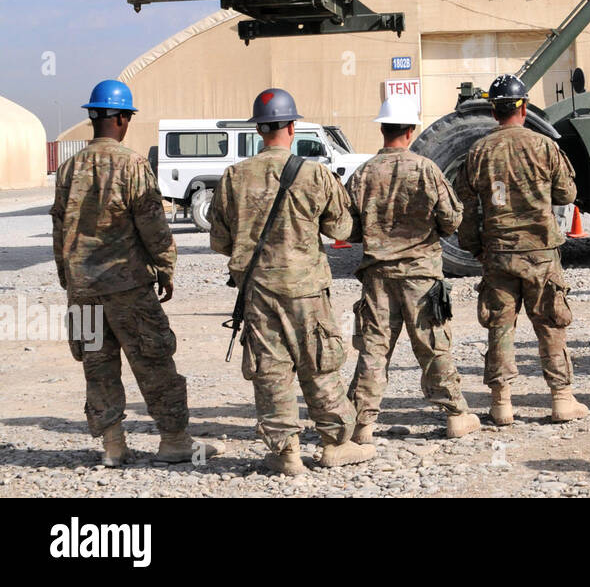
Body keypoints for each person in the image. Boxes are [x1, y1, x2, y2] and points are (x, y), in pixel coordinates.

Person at [51, 80, 221, 468]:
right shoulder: (132, 164)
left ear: (93, 117)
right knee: (154, 361)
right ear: (123, 119)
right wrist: (165, 268)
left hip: (82, 290)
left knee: (97, 365)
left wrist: (69, 277)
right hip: (127, 287)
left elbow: (59, 229)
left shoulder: (67, 169)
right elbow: (153, 225)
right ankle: (174, 440)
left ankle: (113, 446)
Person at [210, 87, 373, 476]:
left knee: (271, 370)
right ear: (292, 126)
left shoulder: (233, 177)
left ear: (259, 129)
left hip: (258, 290)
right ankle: (336, 443)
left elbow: (220, 241)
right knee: (319, 363)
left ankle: (286, 453)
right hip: (306, 290)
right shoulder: (314, 173)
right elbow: (343, 228)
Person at [454, 74, 588, 425]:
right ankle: (561, 399)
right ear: (524, 108)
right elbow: (567, 196)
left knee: (500, 326)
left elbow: (466, 207)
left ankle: (501, 404)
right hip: (540, 253)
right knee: (550, 324)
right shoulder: (544, 147)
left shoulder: (478, 151)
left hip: (498, 254)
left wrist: (474, 248)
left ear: (494, 111)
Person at [345, 96, 479, 442]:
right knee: (433, 345)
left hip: (377, 277)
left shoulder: (363, 173)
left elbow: (349, 229)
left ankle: (362, 424)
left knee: (374, 350)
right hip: (421, 276)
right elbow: (451, 219)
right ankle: (454, 415)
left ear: (382, 128)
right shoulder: (425, 169)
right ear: (411, 129)